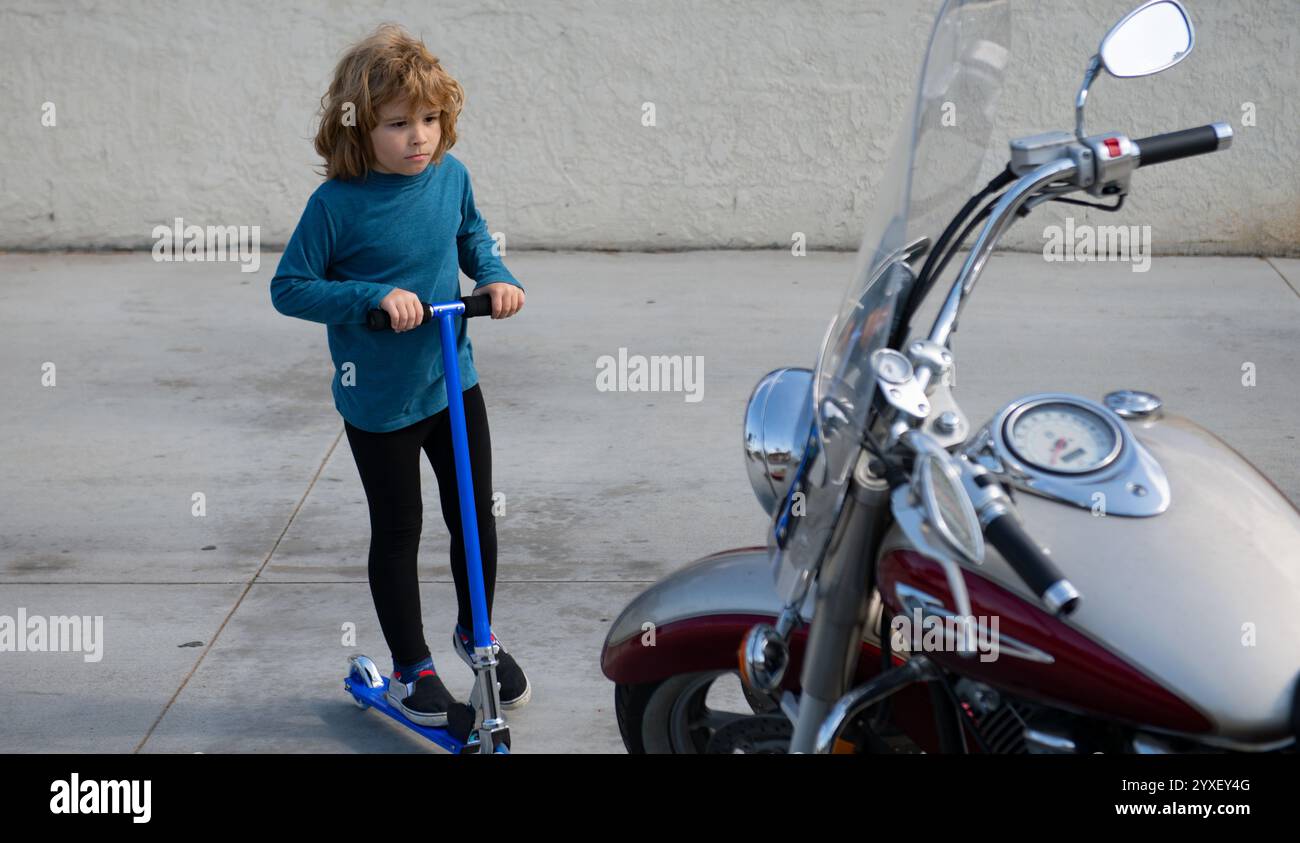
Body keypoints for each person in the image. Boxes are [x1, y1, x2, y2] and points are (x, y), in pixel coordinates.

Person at [269, 23, 530, 727]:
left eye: (430, 118)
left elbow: (473, 236)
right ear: (356, 126)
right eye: (397, 123)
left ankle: (478, 635)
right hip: (379, 397)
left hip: (452, 378)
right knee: (399, 527)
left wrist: (496, 276)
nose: (419, 136)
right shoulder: (337, 205)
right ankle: (413, 666)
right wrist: (370, 298)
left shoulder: (451, 176)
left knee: (473, 513)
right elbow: (290, 287)